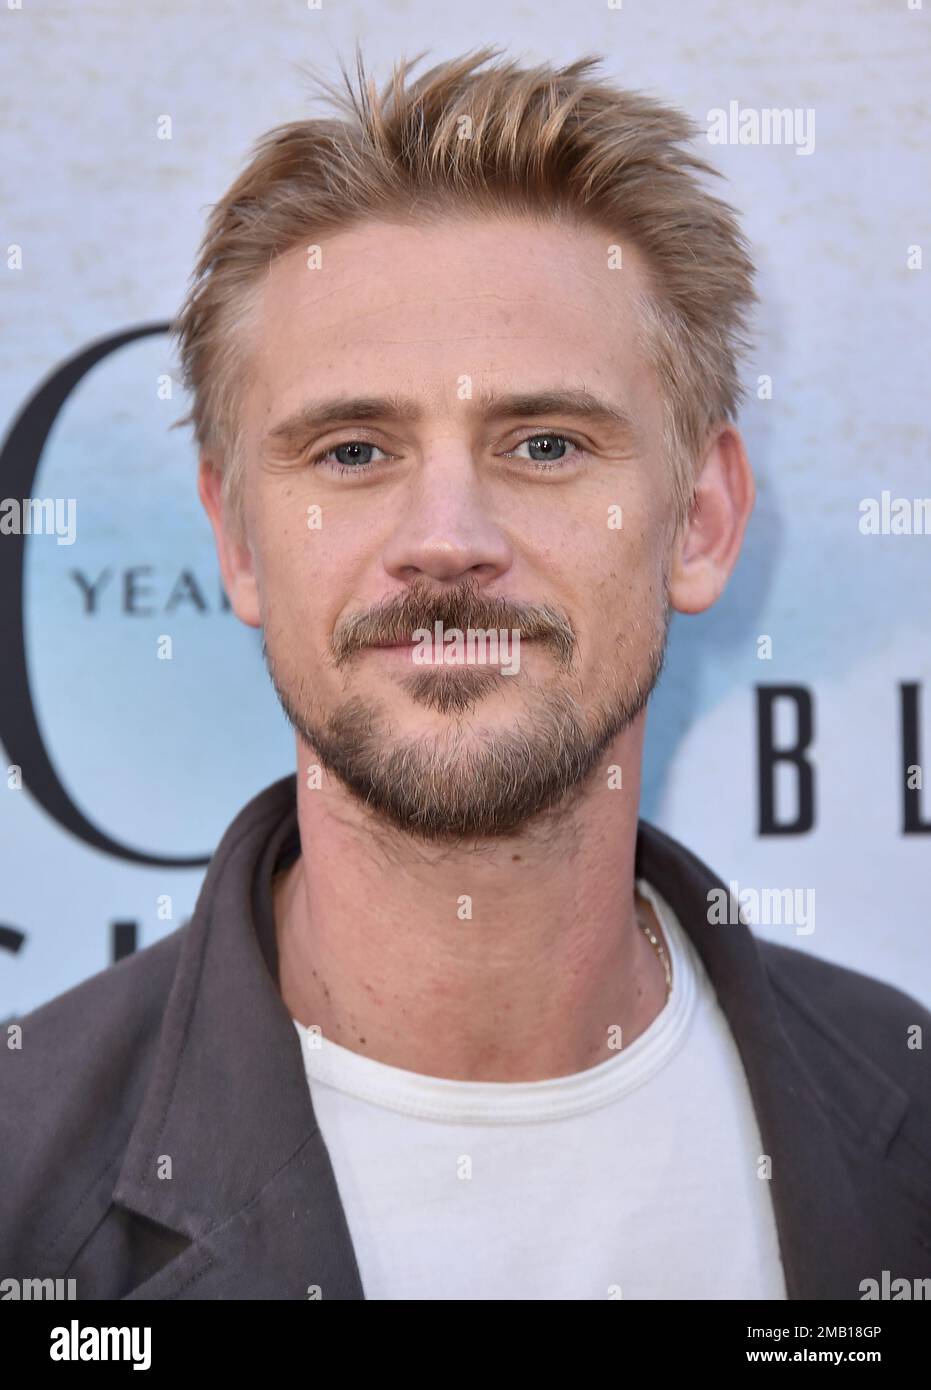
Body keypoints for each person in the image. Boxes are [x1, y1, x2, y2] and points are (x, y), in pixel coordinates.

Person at [2, 46, 928, 1302]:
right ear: (236, 542)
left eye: (545, 443)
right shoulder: (21, 1180)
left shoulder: (905, 1113)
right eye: (351, 450)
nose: (447, 536)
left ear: (702, 520)